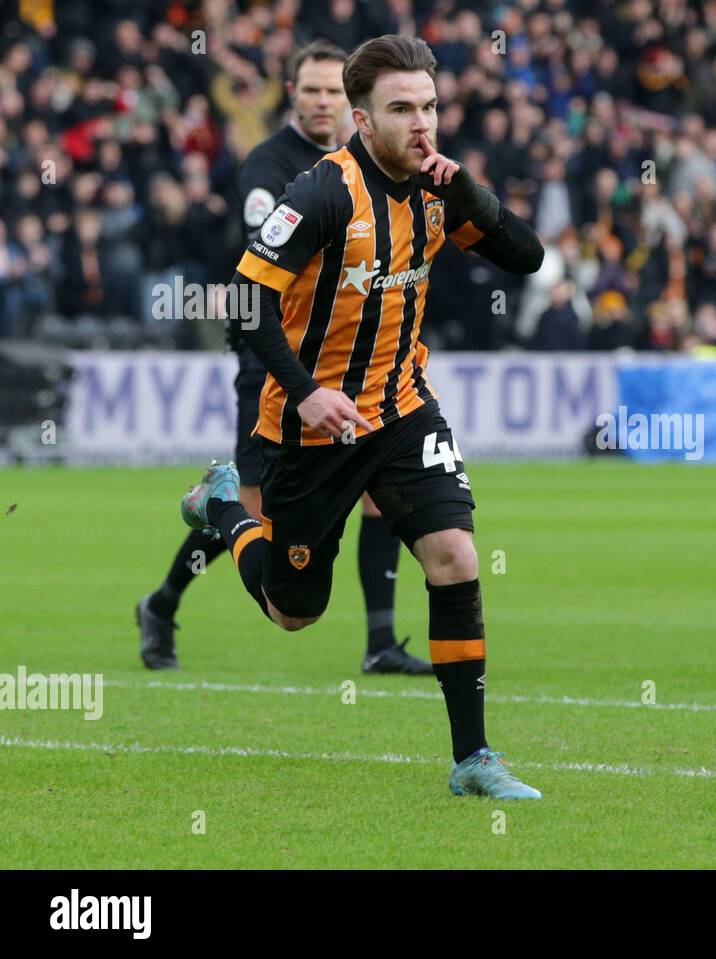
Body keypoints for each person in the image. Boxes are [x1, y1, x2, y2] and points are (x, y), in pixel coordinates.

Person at [179, 35, 544, 799]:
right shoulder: (320, 193)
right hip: (313, 427)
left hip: (405, 408)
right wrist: (307, 390)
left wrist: (472, 192)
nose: (423, 125)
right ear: (362, 119)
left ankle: (473, 757)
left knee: (455, 556)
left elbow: (527, 258)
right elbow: (245, 304)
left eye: (431, 108)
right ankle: (223, 505)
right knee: (292, 612)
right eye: (403, 110)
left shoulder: (442, 187)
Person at [135, 41, 432, 675]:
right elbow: (262, 278)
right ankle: (162, 602)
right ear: (291, 94)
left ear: (353, 105)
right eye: (312, 90)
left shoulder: (375, 157)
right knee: (256, 510)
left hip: (357, 367)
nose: (323, 101)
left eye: (333, 92)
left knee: (380, 496)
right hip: (279, 364)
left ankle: (380, 641)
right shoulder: (271, 167)